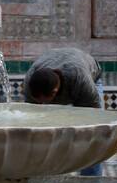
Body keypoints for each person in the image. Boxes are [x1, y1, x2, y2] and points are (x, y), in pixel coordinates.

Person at [24, 47, 105, 176]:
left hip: (91, 75)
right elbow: (30, 119)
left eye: (45, 101)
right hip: (57, 61)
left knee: (93, 139)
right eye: (39, 102)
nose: (43, 105)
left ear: (55, 93)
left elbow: (94, 119)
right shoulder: (30, 81)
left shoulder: (80, 79)